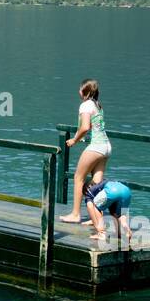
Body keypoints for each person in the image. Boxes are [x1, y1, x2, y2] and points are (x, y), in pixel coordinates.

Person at [60, 79, 111, 224]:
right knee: (97, 183)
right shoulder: (97, 105)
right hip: (106, 146)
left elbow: (85, 127)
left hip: (96, 146)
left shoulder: (86, 105)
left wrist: (74, 140)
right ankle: (96, 216)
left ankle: (76, 214)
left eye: (80, 89)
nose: (78, 91)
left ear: (86, 91)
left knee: (78, 178)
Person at [83, 178, 132, 244]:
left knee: (96, 206)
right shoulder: (103, 184)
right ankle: (124, 231)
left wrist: (97, 227)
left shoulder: (89, 191)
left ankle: (102, 234)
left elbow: (90, 206)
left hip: (112, 191)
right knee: (120, 215)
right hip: (126, 191)